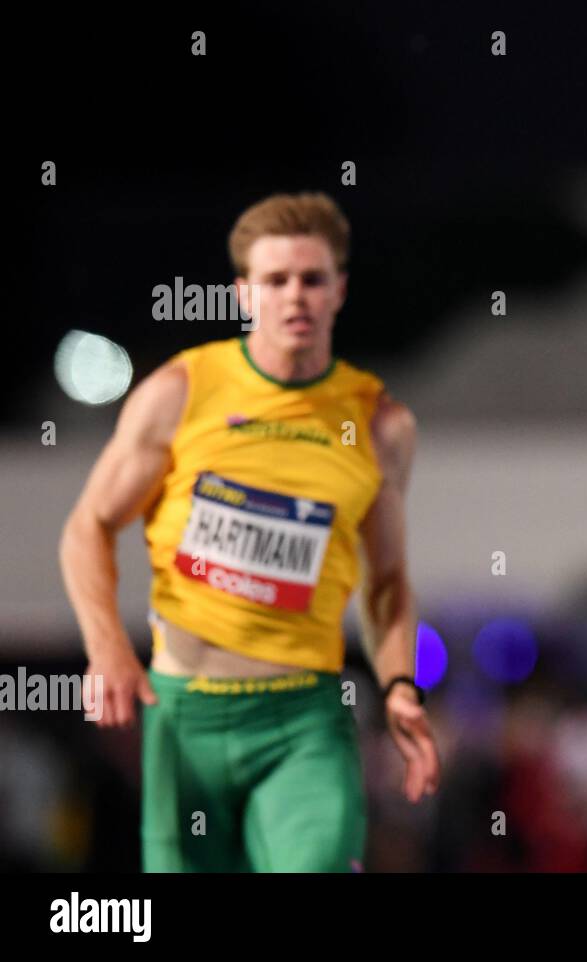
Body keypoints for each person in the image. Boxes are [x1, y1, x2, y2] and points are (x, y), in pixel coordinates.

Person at [60, 192, 439, 871]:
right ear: (243, 292)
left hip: (305, 723)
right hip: (186, 719)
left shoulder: (381, 425)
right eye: (276, 280)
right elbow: (88, 524)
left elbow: (385, 581)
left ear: (339, 290)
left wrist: (399, 685)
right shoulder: (180, 392)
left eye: (313, 278)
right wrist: (107, 647)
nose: (296, 295)